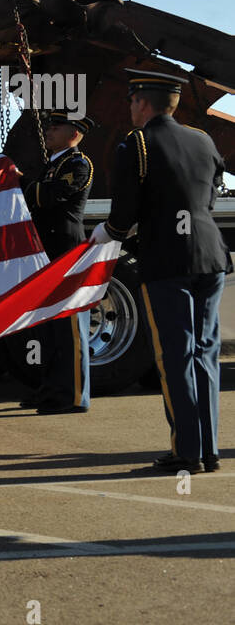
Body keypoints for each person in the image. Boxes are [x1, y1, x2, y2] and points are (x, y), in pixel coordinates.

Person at [90, 69, 231, 473]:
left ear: (144, 103)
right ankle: (209, 450)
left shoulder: (137, 144)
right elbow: (209, 191)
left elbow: (124, 214)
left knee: (175, 356)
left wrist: (107, 233)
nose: (130, 108)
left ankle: (187, 450)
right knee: (204, 353)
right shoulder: (203, 140)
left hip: (167, 261)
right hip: (210, 256)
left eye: (133, 100)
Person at [20, 111, 95, 414]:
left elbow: (48, 196)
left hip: (67, 252)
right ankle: (51, 390)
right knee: (48, 327)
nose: (49, 130)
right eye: (49, 125)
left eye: (57, 126)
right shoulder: (52, 165)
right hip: (48, 252)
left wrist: (17, 180)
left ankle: (74, 396)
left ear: (75, 133)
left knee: (69, 326)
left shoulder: (78, 164)